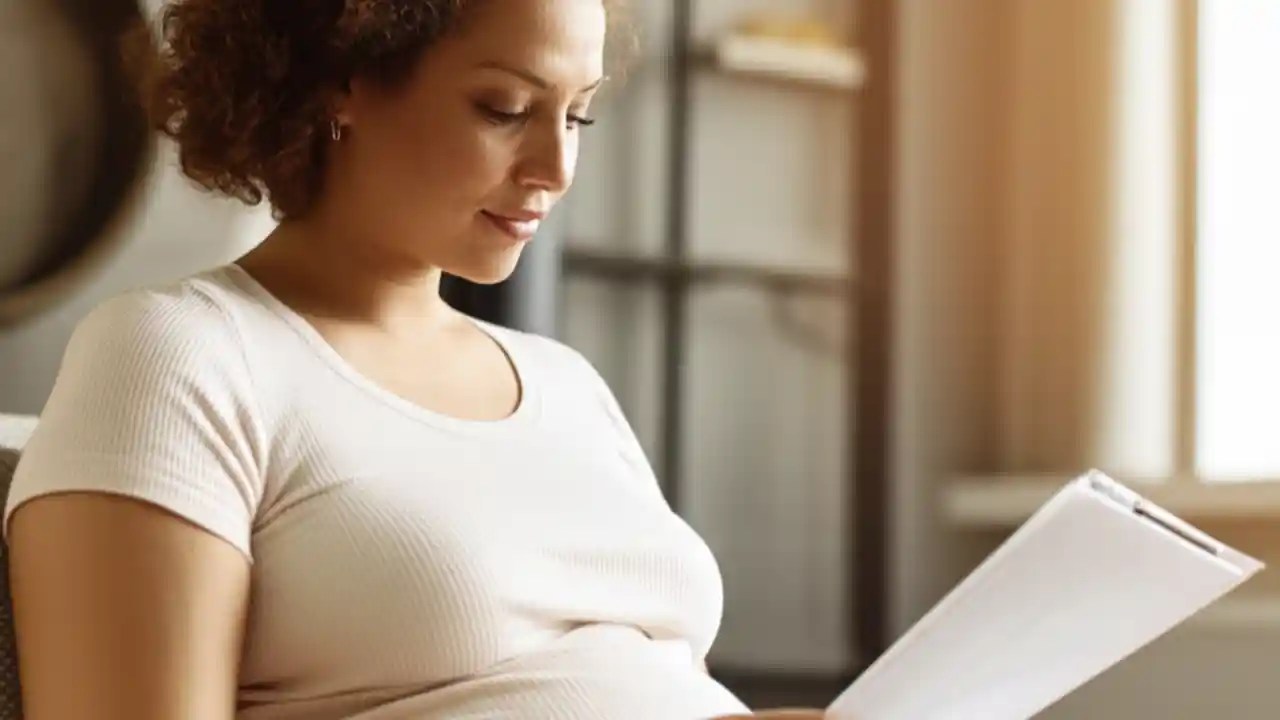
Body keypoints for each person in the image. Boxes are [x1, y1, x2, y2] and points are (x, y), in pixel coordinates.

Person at [3, 0, 832, 718]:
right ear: (343, 77)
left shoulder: (568, 386)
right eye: (505, 108)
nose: (557, 167)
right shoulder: (182, 356)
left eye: (576, 115)